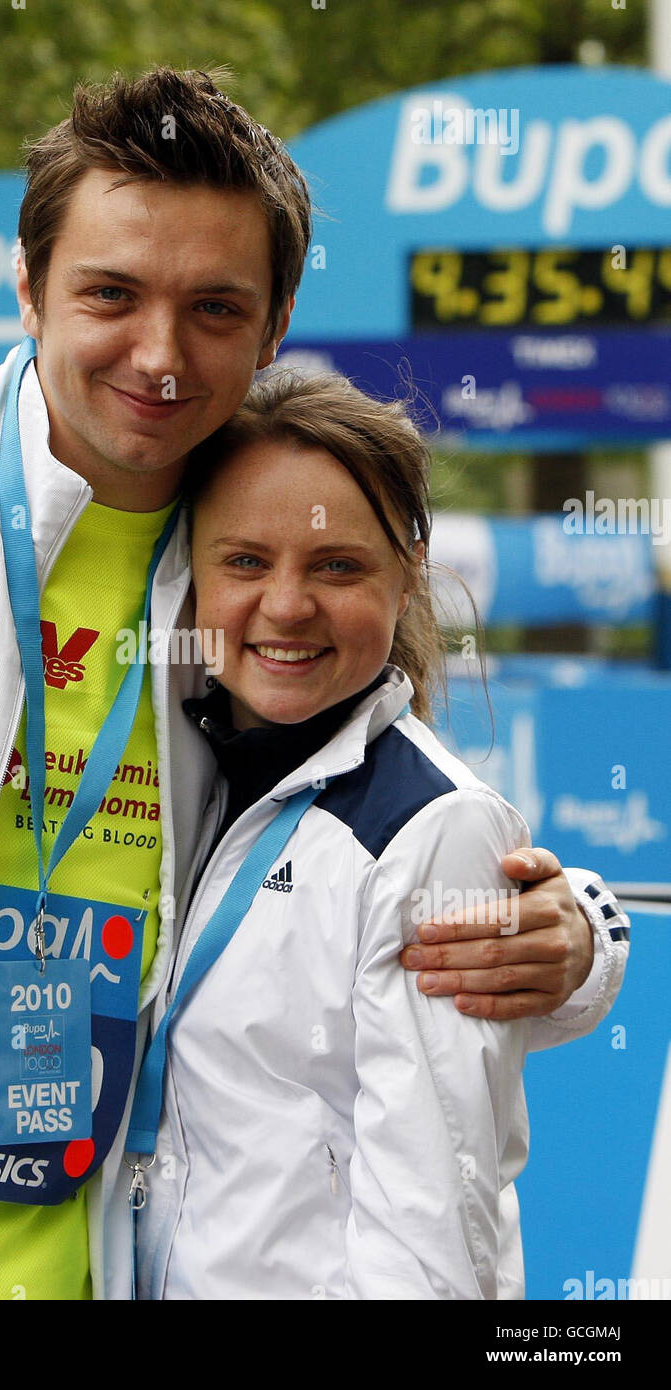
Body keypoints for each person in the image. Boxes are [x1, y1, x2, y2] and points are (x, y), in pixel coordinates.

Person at [0, 69, 626, 1302]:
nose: (160, 356)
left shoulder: (244, 556)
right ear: (28, 285)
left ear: (276, 324)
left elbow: (364, 840)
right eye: (110, 294)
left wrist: (580, 935)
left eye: (215, 309)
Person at [130, 370, 631, 1300]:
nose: (285, 605)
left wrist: (591, 938)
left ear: (407, 582)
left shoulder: (432, 831)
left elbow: (431, 1241)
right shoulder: (181, 765)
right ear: (190, 574)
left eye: (336, 566)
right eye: (244, 561)